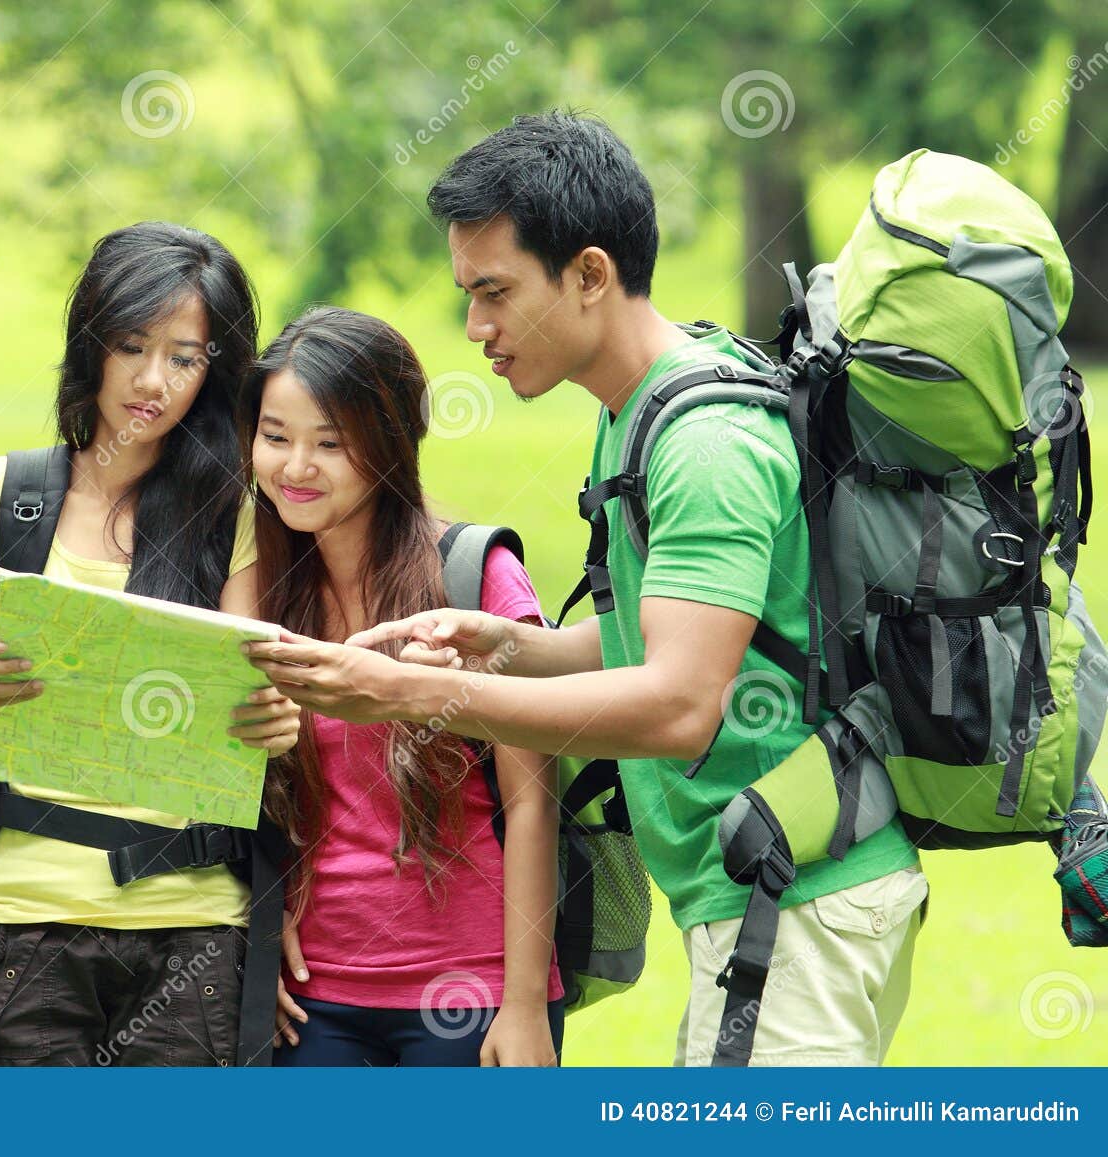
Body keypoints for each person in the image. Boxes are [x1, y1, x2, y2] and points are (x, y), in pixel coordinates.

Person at [245, 112, 927, 1067]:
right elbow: (660, 642)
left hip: (801, 900)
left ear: (590, 274)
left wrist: (414, 694)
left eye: (495, 292)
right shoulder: (638, 411)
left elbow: (680, 704)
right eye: (468, 295)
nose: (476, 328)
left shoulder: (704, 442)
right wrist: (505, 644)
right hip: (771, 890)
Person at [0, 221, 300, 1067]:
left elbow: (252, 704)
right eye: (131, 346)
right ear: (90, 343)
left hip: (192, 927)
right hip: (20, 918)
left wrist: (277, 725)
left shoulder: (234, 519)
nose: (152, 381)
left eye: (185, 357)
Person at [242, 306, 561, 1067]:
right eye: (275, 437)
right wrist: (264, 922)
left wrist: (523, 1004)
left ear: (387, 443)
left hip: (472, 988)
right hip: (314, 997)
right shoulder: (257, 590)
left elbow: (531, 802)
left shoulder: (473, 579)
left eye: (330, 443)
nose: (296, 467)